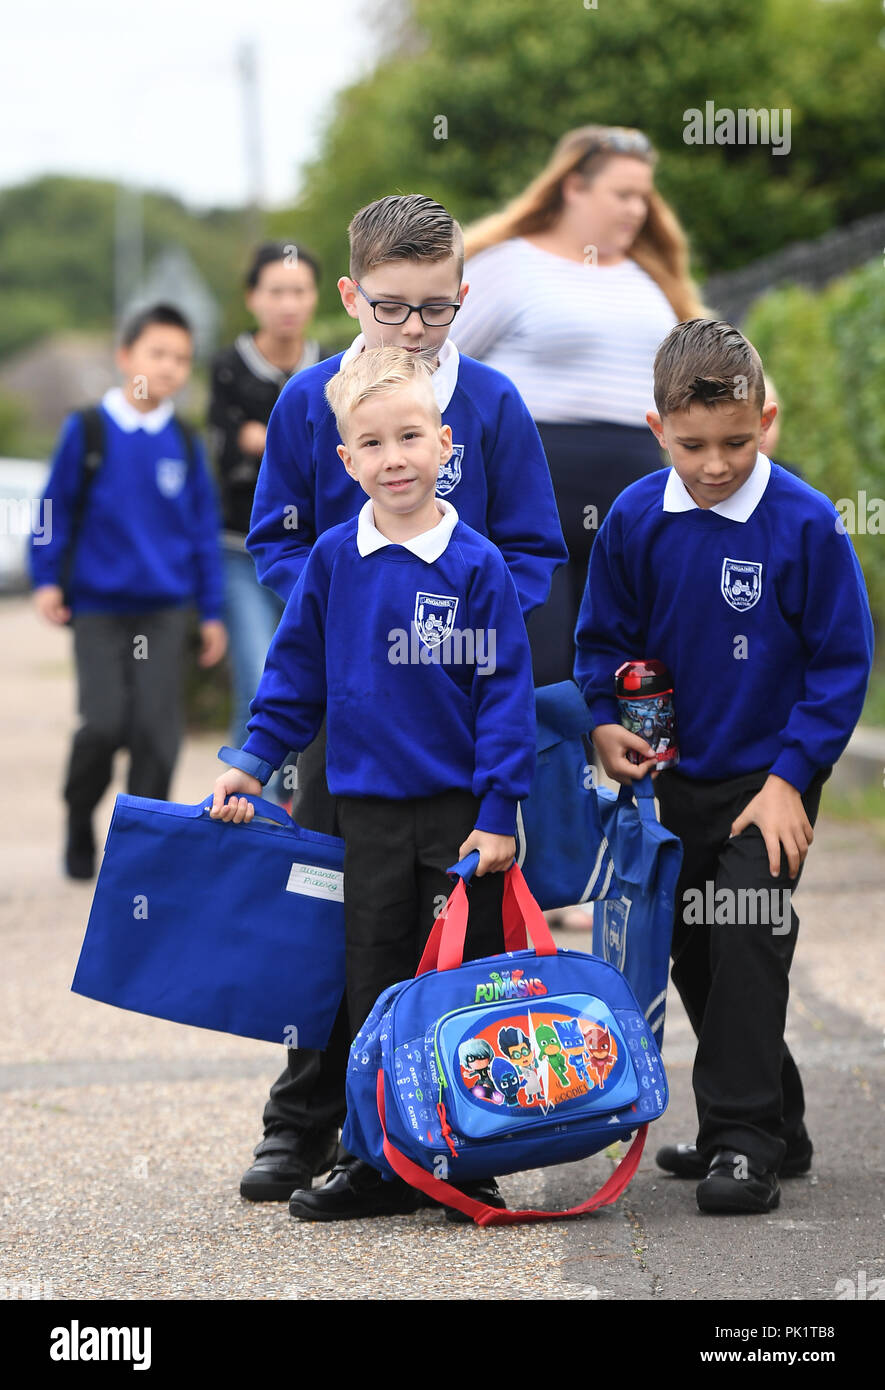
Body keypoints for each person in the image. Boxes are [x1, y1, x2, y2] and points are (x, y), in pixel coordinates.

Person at [238, 192, 566, 1204]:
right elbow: (278, 540)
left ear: (464, 296)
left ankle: (461, 1127)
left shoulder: (497, 405)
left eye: (436, 309)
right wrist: (353, 619)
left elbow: (534, 552)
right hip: (347, 721)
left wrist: (448, 622)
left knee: (456, 930)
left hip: (457, 720)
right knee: (339, 919)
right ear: (350, 294)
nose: (415, 330)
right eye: (391, 309)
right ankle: (305, 1122)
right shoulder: (306, 402)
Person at [574, 318, 873, 1214]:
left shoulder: (807, 523)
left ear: (766, 419)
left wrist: (791, 779)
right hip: (670, 780)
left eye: (736, 442)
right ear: (656, 428)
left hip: (770, 779)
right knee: (694, 953)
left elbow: (839, 665)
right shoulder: (633, 517)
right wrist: (599, 724)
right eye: (692, 444)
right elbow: (603, 641)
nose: (714, 464)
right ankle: (776, 1115)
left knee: (745, 939)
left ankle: (740, 1144)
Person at [450, 124, 706, 686]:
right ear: (573, 187)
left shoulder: (651, 280)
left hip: (636, 499)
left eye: (645, 195)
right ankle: (539, 775)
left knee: (631, 669)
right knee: (542, 669)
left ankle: (629, 777)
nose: (638, 209)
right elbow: (431, 365)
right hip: (530, 496)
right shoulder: (507, 265)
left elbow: (700, 372)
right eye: (623, 194)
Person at [31, 303, 227, 880]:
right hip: (97, 608)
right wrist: (45, 577)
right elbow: (50, 509)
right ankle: (77, 812)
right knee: (105, 723)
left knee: (157, 736)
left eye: (181, 359)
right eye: (157, 354)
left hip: (165, 611)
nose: (168, 368)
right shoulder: (87, 429)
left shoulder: (186, 445)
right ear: (126, 357)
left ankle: (136, 857)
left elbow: (201, 536)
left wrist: (211, 612)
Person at [208, 242, 321, 802]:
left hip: (316, 555)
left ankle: (294, 813)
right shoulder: (229, 365)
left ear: (320, 297)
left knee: (311, 680)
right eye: (275, 290)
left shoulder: (335, 365)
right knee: (258, 678)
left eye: (299, 291)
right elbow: (227, 449)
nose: (288, 304)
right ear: (253, 298)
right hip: (240, 549)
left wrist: (261, 436)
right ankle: (240, 805)